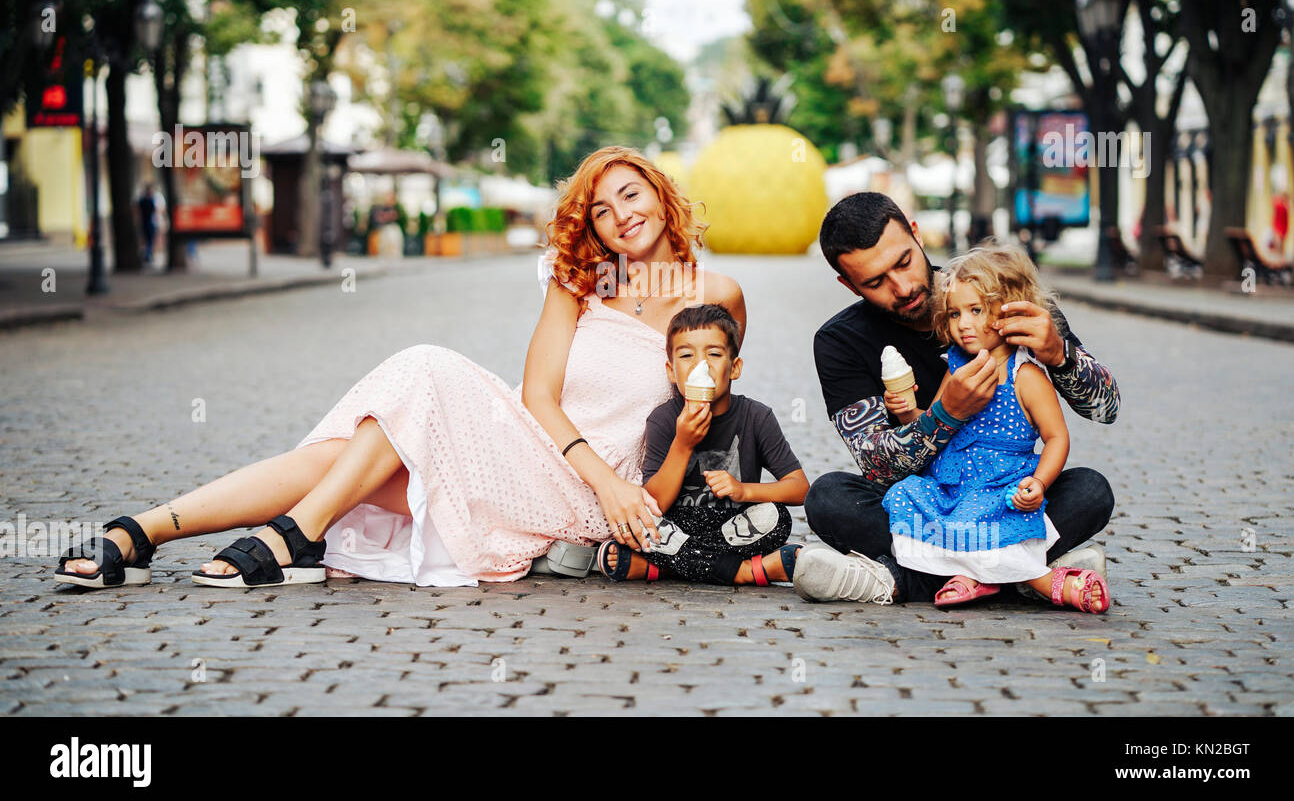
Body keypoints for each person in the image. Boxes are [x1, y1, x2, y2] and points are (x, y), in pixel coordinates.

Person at [54, 146, 745, 589]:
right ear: (589, 229)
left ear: (660, 192)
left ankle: (277, 533)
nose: (620, 215)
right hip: (533, 447)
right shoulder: (578, 281)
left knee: (371, 425)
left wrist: (647, 495)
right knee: (359, 437)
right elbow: (536, 393)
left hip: (596, 498)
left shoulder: (720, 296)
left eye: (630, 194)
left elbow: (713, 414)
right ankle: (145, 530)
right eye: (600, 209)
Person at [792, 192, 1119, 606]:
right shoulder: (840, 342)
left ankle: (898, 582)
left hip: (1004, 500)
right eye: (875, 282)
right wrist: (944, 414)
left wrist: (1060, 355)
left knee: (1090, 490)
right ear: (848, 284)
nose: (903, 286)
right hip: (930, 503)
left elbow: (1106, 408)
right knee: (828, 497)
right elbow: (877, 465)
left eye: (904, 262)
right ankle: (1024, 575)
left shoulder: (997, 294)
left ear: (916, 234)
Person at [880, 245, 1109, 612]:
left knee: (988, 519)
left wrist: (1040, 483)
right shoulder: (955, 366)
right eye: (954, 313)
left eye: (976, 311)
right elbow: (936, 423)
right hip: (950, 486)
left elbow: (1056, 437)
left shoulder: (1027, 376)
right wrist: (910, 414)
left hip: (999, 488)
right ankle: (1004, 578)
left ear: (1009, 310)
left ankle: (1037, 581)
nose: (963, 324)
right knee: (905, 495)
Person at [599, 304, 808, 585]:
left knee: (777, 518)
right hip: (677, 524)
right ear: (671, 371)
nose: (701, 365)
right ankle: (747, 572)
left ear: (734, 368)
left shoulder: (756, 417)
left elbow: (799, 488)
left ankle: (663, 568)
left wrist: (744, 490)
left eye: (713, 353)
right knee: (642, 524)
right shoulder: (663, 419)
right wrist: (682, 444)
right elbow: (655, 504)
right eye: (686, 355)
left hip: (730, 526)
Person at [137, 184, 157, 264]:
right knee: (149, 240)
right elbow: (154, 210)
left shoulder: (142, 200)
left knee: (146, 240)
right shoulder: (150, 200)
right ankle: (147, 254)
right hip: (149, 222)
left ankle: (147, 254)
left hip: (144, 222)